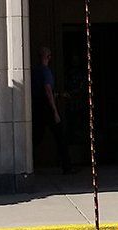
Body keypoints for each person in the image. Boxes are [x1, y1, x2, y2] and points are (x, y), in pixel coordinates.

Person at [31, 46, 72, 174]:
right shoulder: (45, 71)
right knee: (60, 136)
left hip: (37, 106)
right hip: (46, 107)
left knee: (36, 137)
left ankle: (27, 160)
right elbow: (48, 90)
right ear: (47, 57)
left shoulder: (33, 71)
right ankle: (67, 166)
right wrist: (54, 111)